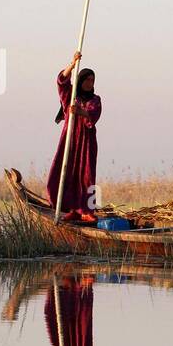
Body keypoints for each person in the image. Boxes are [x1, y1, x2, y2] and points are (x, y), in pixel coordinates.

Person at [46, 51, 102, 223]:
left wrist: (81, 112)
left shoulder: (95, 99)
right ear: (81, 80)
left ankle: (86, 210)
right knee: (67, 171)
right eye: (86, 79)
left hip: (86, 142)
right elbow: (61, 81)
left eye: (92, 80)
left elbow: (94, 114)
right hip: (70, 140)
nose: (89, 83)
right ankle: (72, 209)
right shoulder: (70, 95)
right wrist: (73, 62)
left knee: (86, 175)